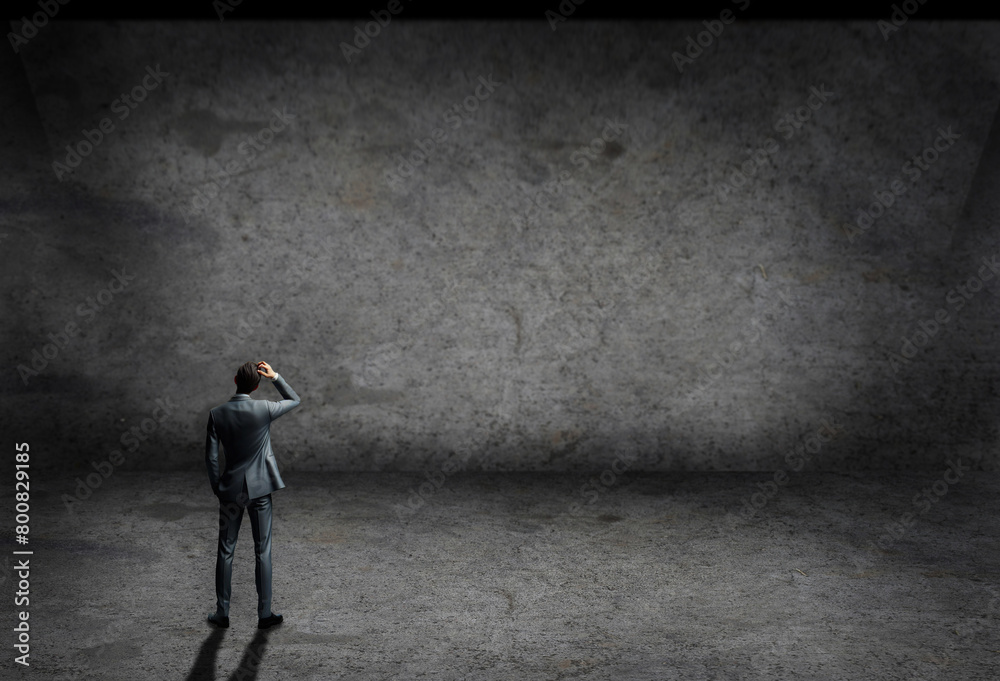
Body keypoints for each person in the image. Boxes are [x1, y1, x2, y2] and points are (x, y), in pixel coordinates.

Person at [205, 360, 300, 629]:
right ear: (256, 385)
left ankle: (222, 613)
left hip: (230, 489)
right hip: (260, 489)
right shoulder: (265, 408)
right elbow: (294, 399)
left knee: (225, 550)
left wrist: (218, 487)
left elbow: (211, 458)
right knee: (263, 551)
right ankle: (264, 613)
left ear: (236, 380)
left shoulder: (216, 413)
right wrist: (276, 377)